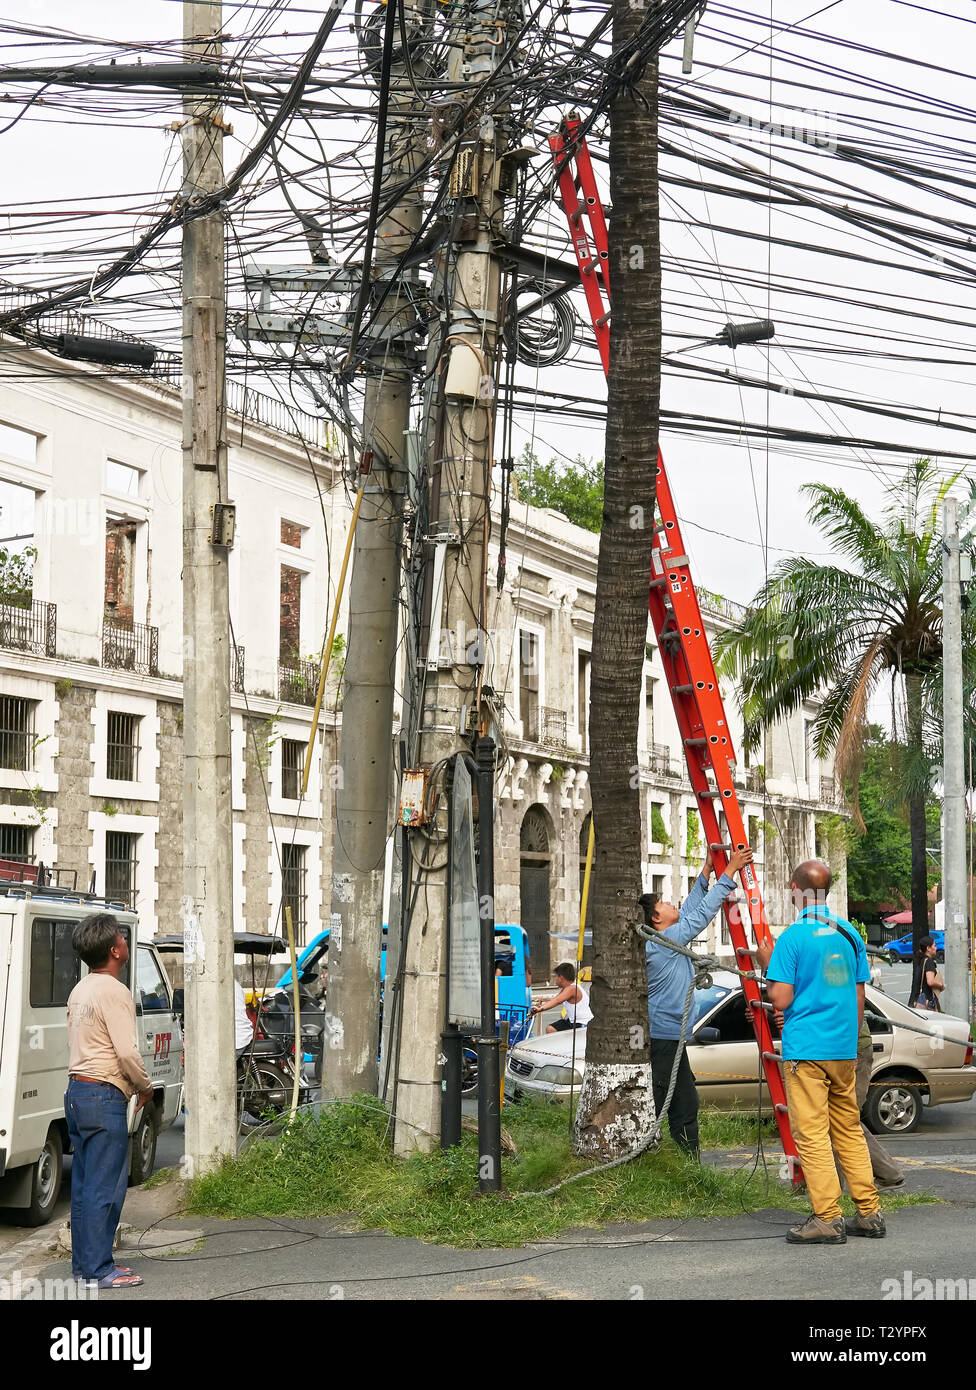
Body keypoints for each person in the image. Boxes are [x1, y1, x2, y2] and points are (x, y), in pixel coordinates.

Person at [758, 859, 884, 1244]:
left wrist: (769, 966)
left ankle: (827, 1218)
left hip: (807, 1049)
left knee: (811, 1134)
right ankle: (869, 1212)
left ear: (796, 889)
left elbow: (780, 997)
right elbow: (858, 996)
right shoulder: (849, 934)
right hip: (844, 1048)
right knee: (848, 1129)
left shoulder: (794, 937)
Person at [641, 845, 754, 1158]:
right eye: (663, 902)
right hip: (665, 1040)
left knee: (683, 1102)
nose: (670, 903)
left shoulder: (666, 937)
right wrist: (729, 871)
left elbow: (689, 912)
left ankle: (684, 1163)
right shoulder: (663, 942)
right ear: (655, 917)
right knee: (680, 1104)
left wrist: (706, 872)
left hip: (672, 1038)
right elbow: (701, 915)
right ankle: (684, 1164)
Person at [65, 913, 153, 1290]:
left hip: (77, 1093)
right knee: (107, 1186)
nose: (125, 942)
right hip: (105, 1095)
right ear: (116, 950)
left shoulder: (80, 990)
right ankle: (101, 1269)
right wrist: (144, 1086)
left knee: (84, 1186)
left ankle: (84, 1267)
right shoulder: (116, 992)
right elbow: (127, 1054)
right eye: (122, 937)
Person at [529, 961, 593, 1033]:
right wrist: (541, 1004)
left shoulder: (572, 989)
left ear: (561, 978)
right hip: (572, 1021)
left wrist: (540, 1008)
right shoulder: (566, 988)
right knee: (551, 1029)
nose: (555, 979)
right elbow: (555, 999)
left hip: (582, 1023)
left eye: (556, 976)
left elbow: (557, 1000)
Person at [910, 935, 944, 1012]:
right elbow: (930, 982)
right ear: (928, 948)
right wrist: (941, 985)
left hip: (919, 1000)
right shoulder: (929, 962)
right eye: (934, 946)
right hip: (927, 1001)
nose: (936, 948)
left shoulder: (921, 960)